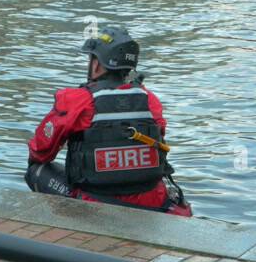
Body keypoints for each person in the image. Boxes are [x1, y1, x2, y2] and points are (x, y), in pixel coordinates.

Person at [24, 26, 191, 216]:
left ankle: (64, 226)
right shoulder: (150, 100)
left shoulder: (77, 100)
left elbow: (41, 150)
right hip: (152, 202)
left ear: (96, 64)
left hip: (94, 202)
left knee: (36, 170)